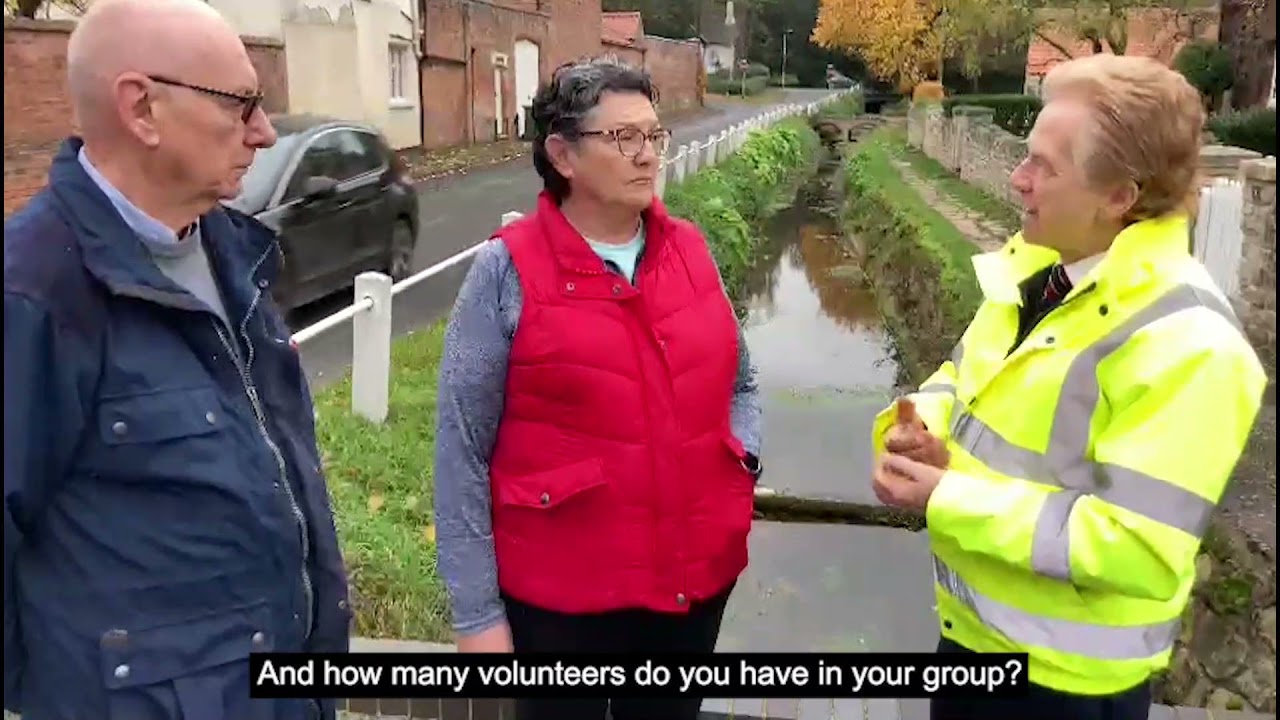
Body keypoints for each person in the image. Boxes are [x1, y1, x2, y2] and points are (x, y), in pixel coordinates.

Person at [869, 53, 1266, 720]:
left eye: (1044, 166)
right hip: (974, 645)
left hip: (1064, 689)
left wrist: (946, 495)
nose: (1017, 178)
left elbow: (1134, 548)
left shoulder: (1191, 344)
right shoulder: (1039, 275)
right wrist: (915, 431)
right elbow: (957, 379)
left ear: (1120, 198)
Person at [3, 1, 351, 718]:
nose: (263, 132)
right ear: (142, 108)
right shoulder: (34, 292)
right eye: (240, 104)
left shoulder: (236, 252)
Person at [433, 57, 763, 720]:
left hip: (692, 583)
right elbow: (461, 451)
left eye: (654, 135)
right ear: (563, 155)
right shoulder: (506, 271)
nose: (648, 155)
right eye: (623, 138)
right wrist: (477, 617)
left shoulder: (689, 251)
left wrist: (741, 463)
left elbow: (743, 380)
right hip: (561, 603)